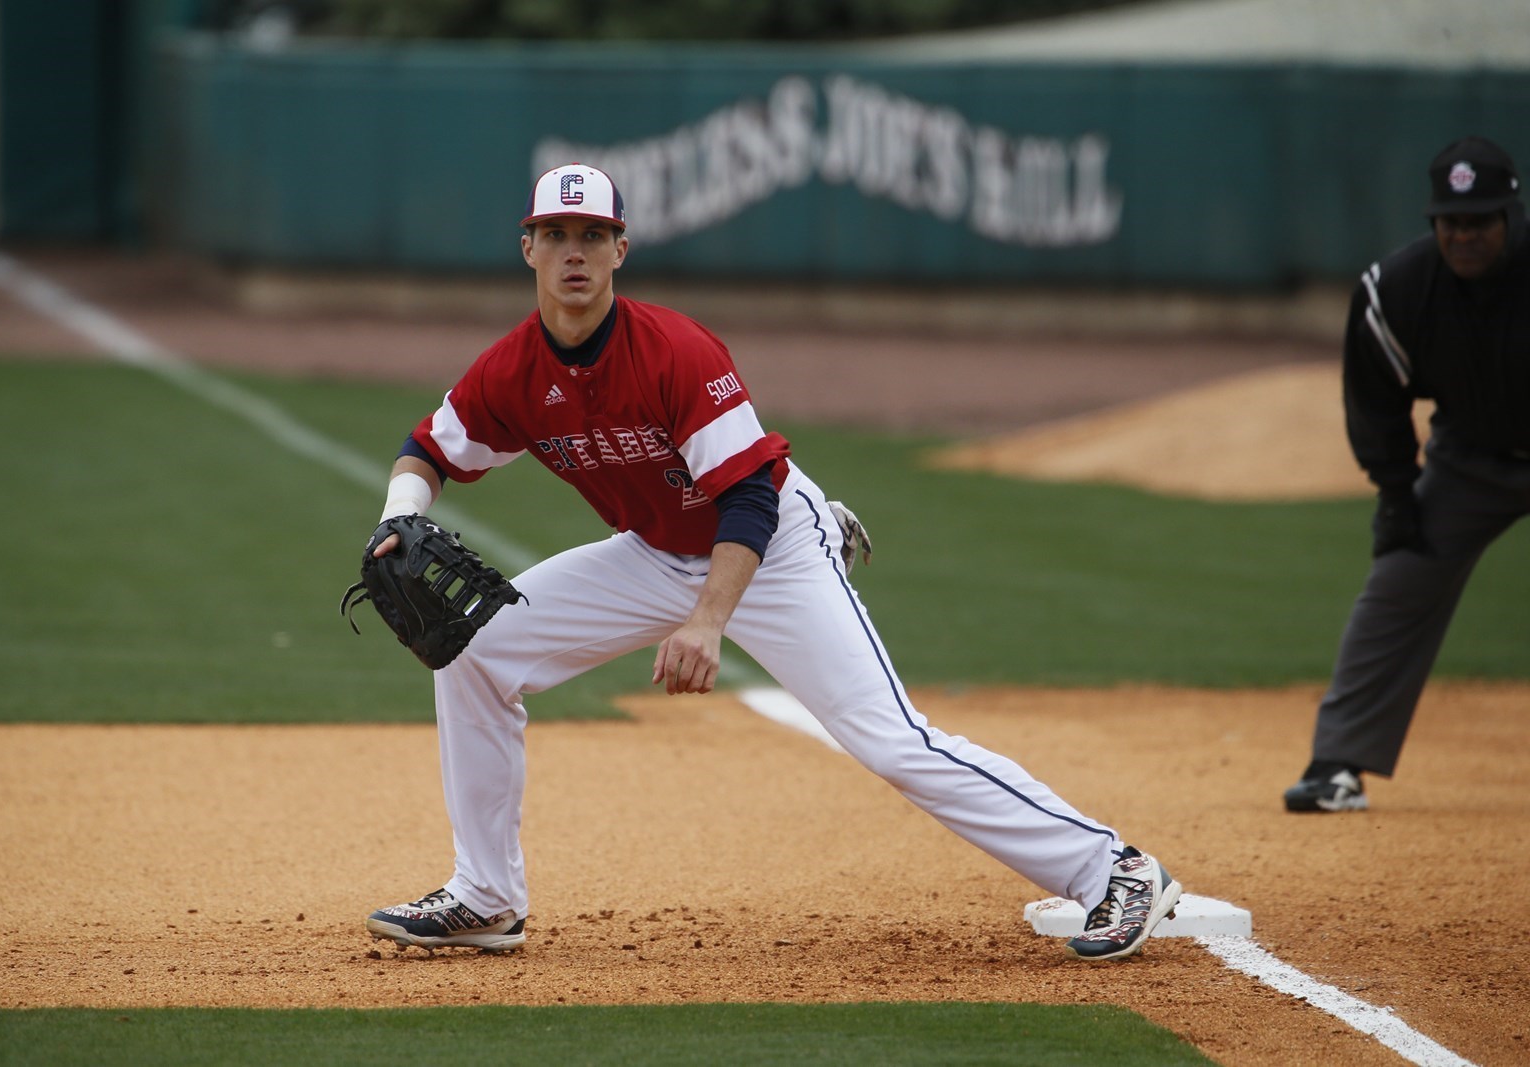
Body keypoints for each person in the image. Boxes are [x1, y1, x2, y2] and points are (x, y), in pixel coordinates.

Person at [360, 162, 1181, 959]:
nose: (574, 251)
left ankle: (1115, 867)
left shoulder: (676, 350)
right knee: (473, 651)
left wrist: (707, 621)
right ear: (527, 247)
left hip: (772, 544)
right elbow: (427, 449)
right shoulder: (512, 368)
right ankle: (486, 896)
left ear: (621, 248)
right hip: (655, 550)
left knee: (890, 738)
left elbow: (749, 496)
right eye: (556, 233)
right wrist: (399, 517)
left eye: (593, 233)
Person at [1284, 136, 1530, 813]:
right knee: (1398, 582)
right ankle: (1337, 764)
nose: (1465, 236)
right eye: (1452, 223)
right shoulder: (1399, 289)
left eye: (1480, 221)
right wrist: (1396, 490)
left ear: (1511, 216)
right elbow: (1376, 397)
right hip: (1470, 460)